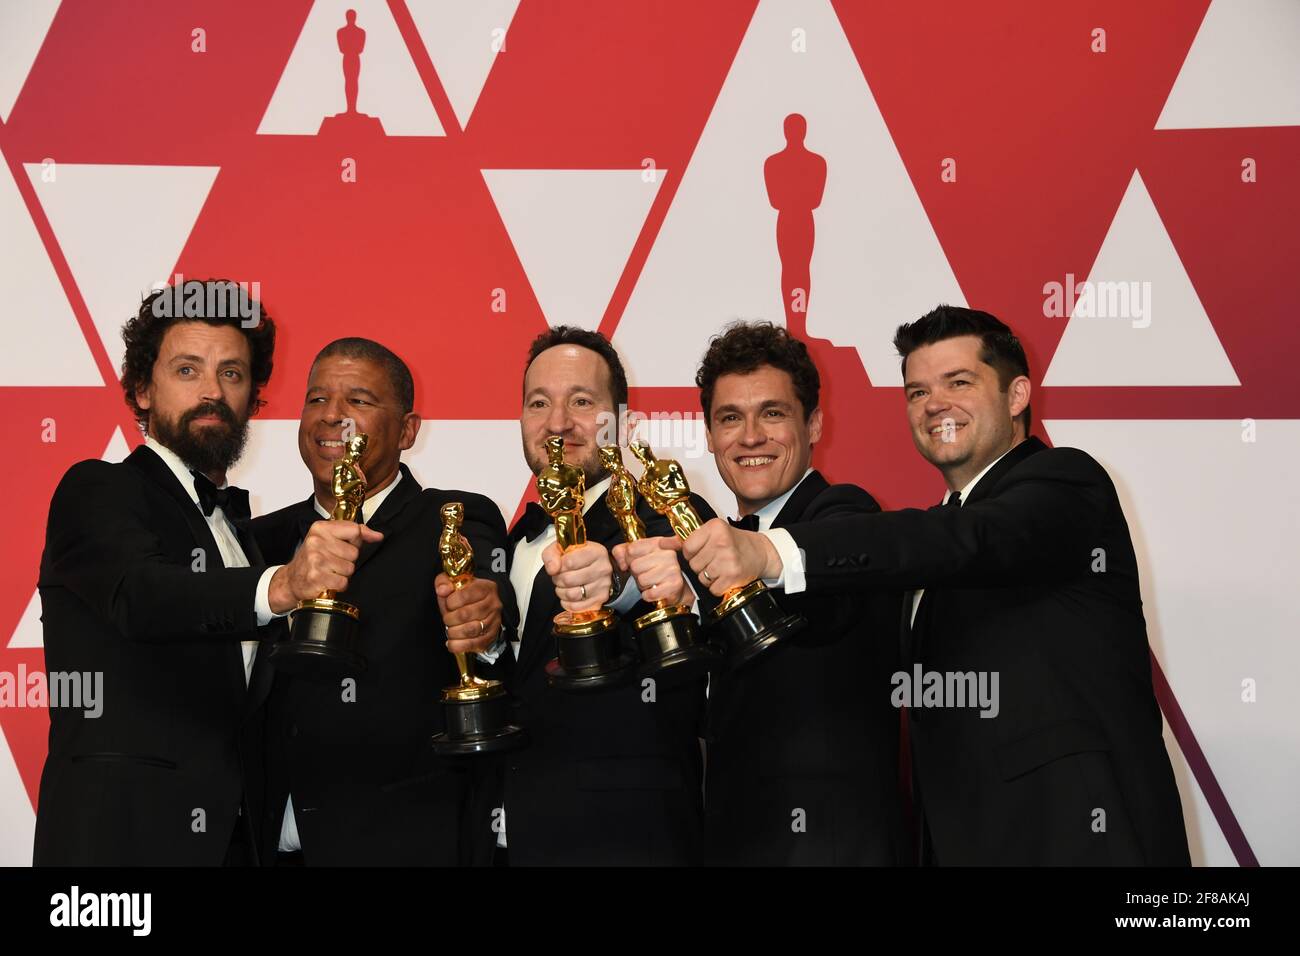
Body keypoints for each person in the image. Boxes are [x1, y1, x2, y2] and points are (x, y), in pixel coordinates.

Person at [678, 306, 1191, 865]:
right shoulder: (933, 544)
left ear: (1017, 395)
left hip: (1079, 838)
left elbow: (969, 540)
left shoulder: (1066, 481)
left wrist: (768, 552)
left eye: (959, 382)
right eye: (918, 392)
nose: (935, 404)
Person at [34, 280, 370, 865]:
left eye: (232, 374)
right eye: (187, 370)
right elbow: (143, 596)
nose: (212, 392)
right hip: (119, 848)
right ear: (142, 389)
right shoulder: (98, 490)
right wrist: (283, 585)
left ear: (252, 397)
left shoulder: (242, 536)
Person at [252, 337, 511, 866]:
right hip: (271, 847)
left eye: (359, 402)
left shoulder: (454, 519)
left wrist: (483, 623)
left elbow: (485, 607)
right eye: (317, 399)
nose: (333, 418)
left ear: (408, 430)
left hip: (406, 845)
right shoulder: (260, 541)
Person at [490, 326, 710, 865]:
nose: (558, 423)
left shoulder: (674, 519)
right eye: (539, 402)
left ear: (622, 421)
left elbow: (695, 608)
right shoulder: (509, 540)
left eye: (581, 402)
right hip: (506, 836)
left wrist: (623, 585)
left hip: (625, 842)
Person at [690, 321, 906, 865]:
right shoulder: (711, 549)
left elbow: (831, 603)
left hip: (832, 848)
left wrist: (763, 559)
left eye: (773, 413)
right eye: (730, 418)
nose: (751, 437)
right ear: (711, 436)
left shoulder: (844, 515)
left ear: (813, 424)